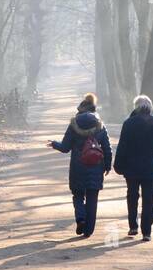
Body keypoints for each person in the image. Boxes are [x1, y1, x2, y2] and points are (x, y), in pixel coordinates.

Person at [47, 92, 112, 238]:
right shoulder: (100, 125)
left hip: (78, 165)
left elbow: (65, 147)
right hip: (96, 166)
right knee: (92, 197)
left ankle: (80, 218)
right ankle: (88, 231)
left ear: (81, 109)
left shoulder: (74, 124)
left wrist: (54, 144)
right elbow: (107, 148)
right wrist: (107, 165)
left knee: (77, 194)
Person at [112, 95, 153, 241]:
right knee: (149, 200)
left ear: (136, 107)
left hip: (131, 168)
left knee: (132, 197)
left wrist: (118, 165)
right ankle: (147, 232)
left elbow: (122, 146)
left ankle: (133, 225)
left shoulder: (129, 123)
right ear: (150, 107)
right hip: (150, 169)